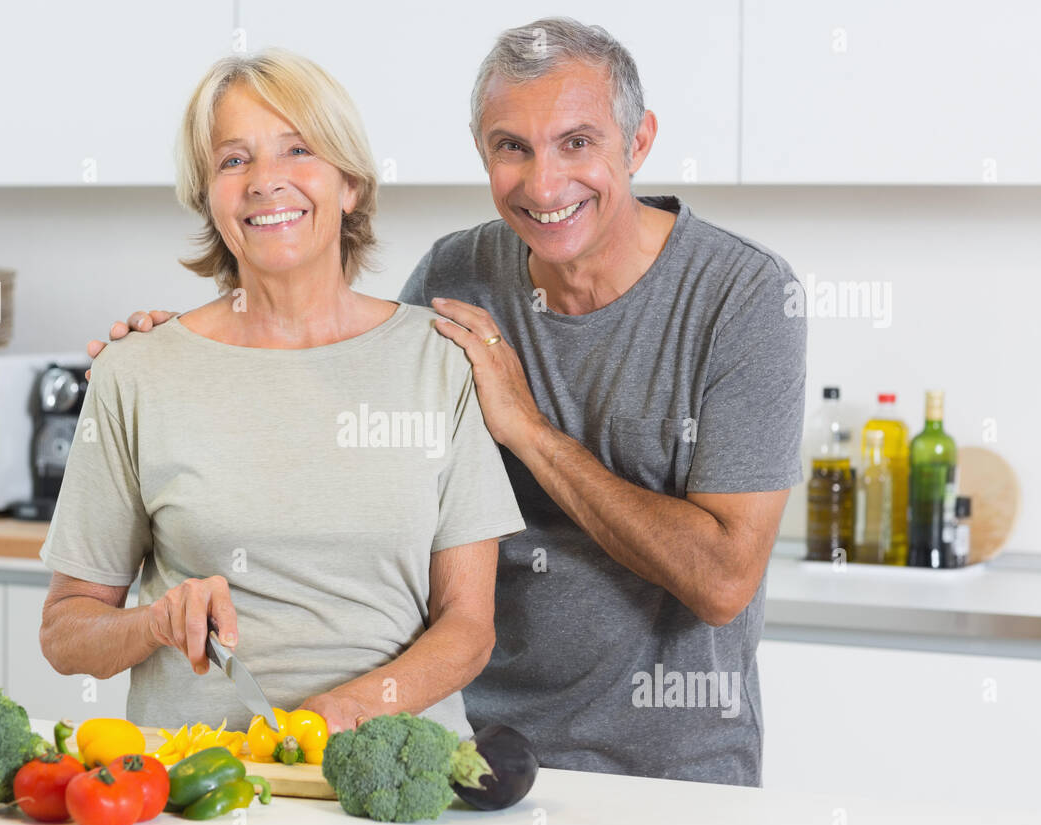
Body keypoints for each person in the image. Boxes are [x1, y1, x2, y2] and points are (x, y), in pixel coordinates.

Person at [93, 18, 806, 786]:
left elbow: (723, 580)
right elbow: (335, 409)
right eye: (513, 147)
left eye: (577, 142)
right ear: (482, 151)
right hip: (466, 745)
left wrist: (529, 433)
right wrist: (177, 355)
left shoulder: (745, 296)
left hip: (668, 762)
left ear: (638, 143)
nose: (544, 184)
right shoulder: (457, 275)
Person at [40, 48, 525, 739]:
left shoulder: (440, 358)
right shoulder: (139, 370)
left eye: (298, 150)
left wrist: (347, 712)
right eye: (233, 160)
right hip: (199, 789)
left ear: (349, 184)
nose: (266, 181)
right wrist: (156, 623)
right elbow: (65, 633)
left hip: (389, 776)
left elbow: (470, 626)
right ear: (209, 196)